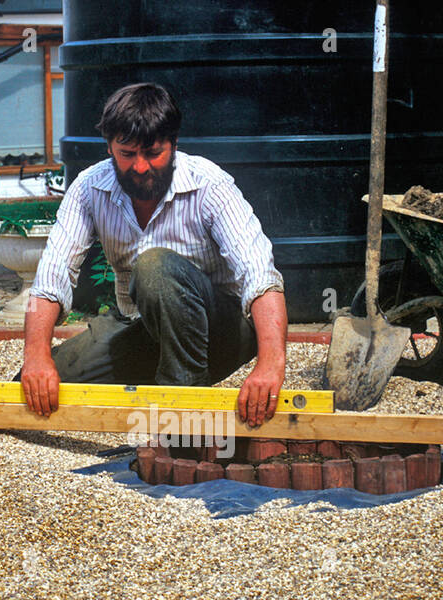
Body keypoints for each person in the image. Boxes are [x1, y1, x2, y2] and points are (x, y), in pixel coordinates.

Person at [18, 82, 288, 426]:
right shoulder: (88, 188)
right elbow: (51, 278)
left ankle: (182, 412)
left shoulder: (210, 185)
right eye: (127, 154)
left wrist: (270, 364)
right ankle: (158, 380)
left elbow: (260, 277)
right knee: (33, 392)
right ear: (110, 148)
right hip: (143, 328)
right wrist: (36, 355)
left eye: (153, 153)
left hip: (222, 331)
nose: (140, 167)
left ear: (173, 145)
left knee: (155, 265)